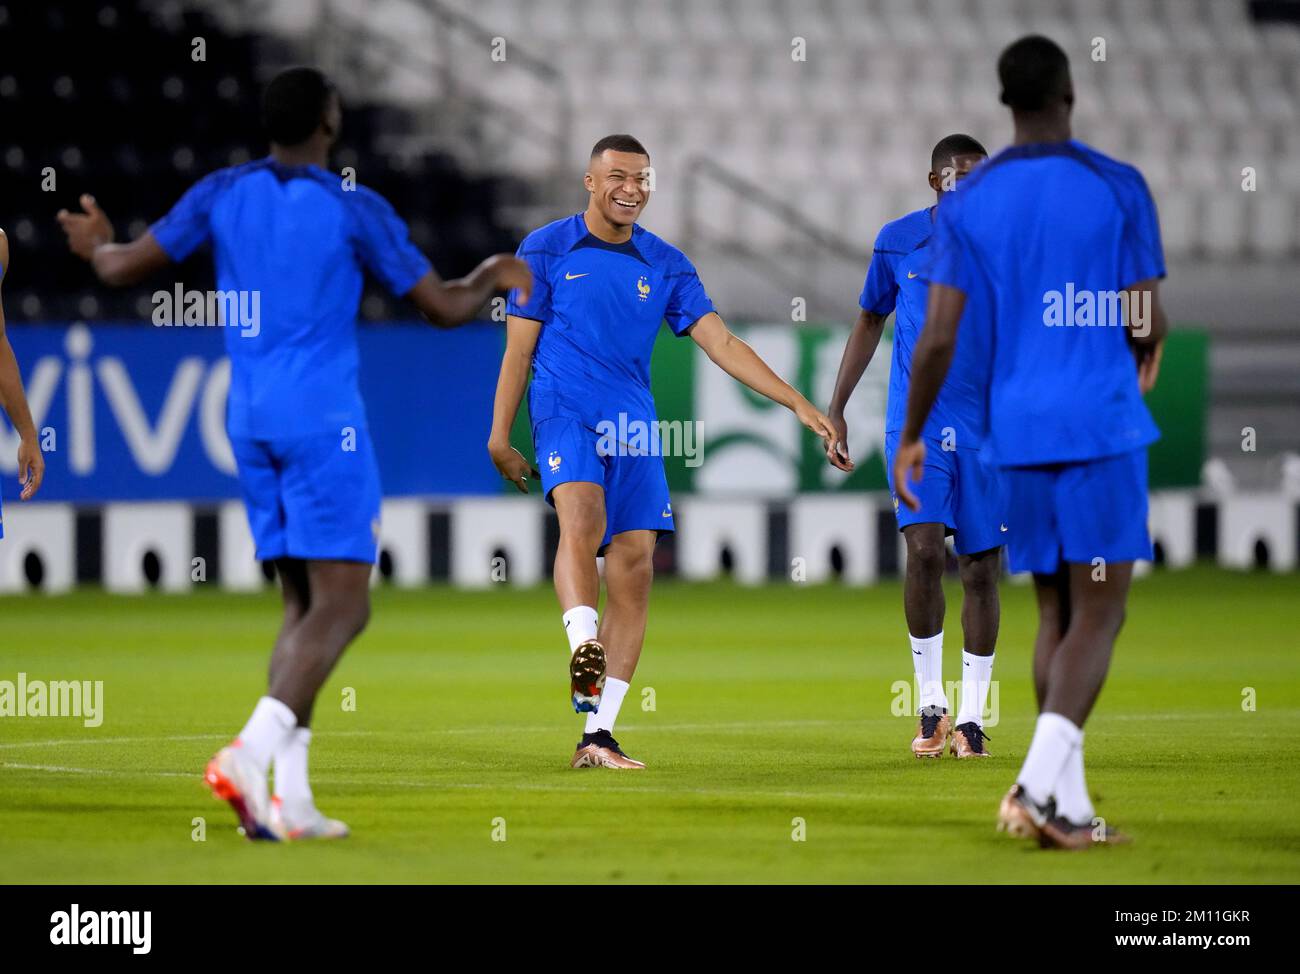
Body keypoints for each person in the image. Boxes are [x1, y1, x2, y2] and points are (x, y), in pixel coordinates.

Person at [58, 66, 531, 840]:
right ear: (330, 121)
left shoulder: (221, 192)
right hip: (324, 425)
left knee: (302, 606)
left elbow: (118, 269)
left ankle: (291, 802)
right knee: (346, 604)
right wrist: (494, 275)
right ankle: (249, 753)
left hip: (247, 420)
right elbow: (444, 308)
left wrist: (98, 242)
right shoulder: (350, 207)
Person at [489, 134, 839, 770]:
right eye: (619, 176)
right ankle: (582, 642)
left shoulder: (666, 262)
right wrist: (499, 435)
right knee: (581, 514)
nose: (632, 189)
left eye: (643, 179)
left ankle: (598, 736)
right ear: (590, 183)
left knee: (637, 566)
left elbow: (723, 343)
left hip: (634, 423)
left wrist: (798, 404)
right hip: (564, 410)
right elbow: (518, 350)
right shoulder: (543, 248)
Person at [893, 36, 1166, 848]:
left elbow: (938, 335)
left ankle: (1070, 811)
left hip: (1012, 429)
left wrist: (910, 433)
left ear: (1005, 101)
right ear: (1070, 89)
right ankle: (1033, 784)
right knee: (1103, 610)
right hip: (1100, 423)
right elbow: (1147, 315)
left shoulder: (972, 201)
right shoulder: (1117, 185)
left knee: (1054, 606)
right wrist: (1142, 351)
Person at [826, 134, 1002, 760]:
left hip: (986, 430)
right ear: (934, 182)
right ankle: (932, 707)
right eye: (955, 177)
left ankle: (975, 719)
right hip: (917, 428)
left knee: (981, 567)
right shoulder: (898, 240)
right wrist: (837, 407)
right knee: (924, 550)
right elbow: (870, 319)